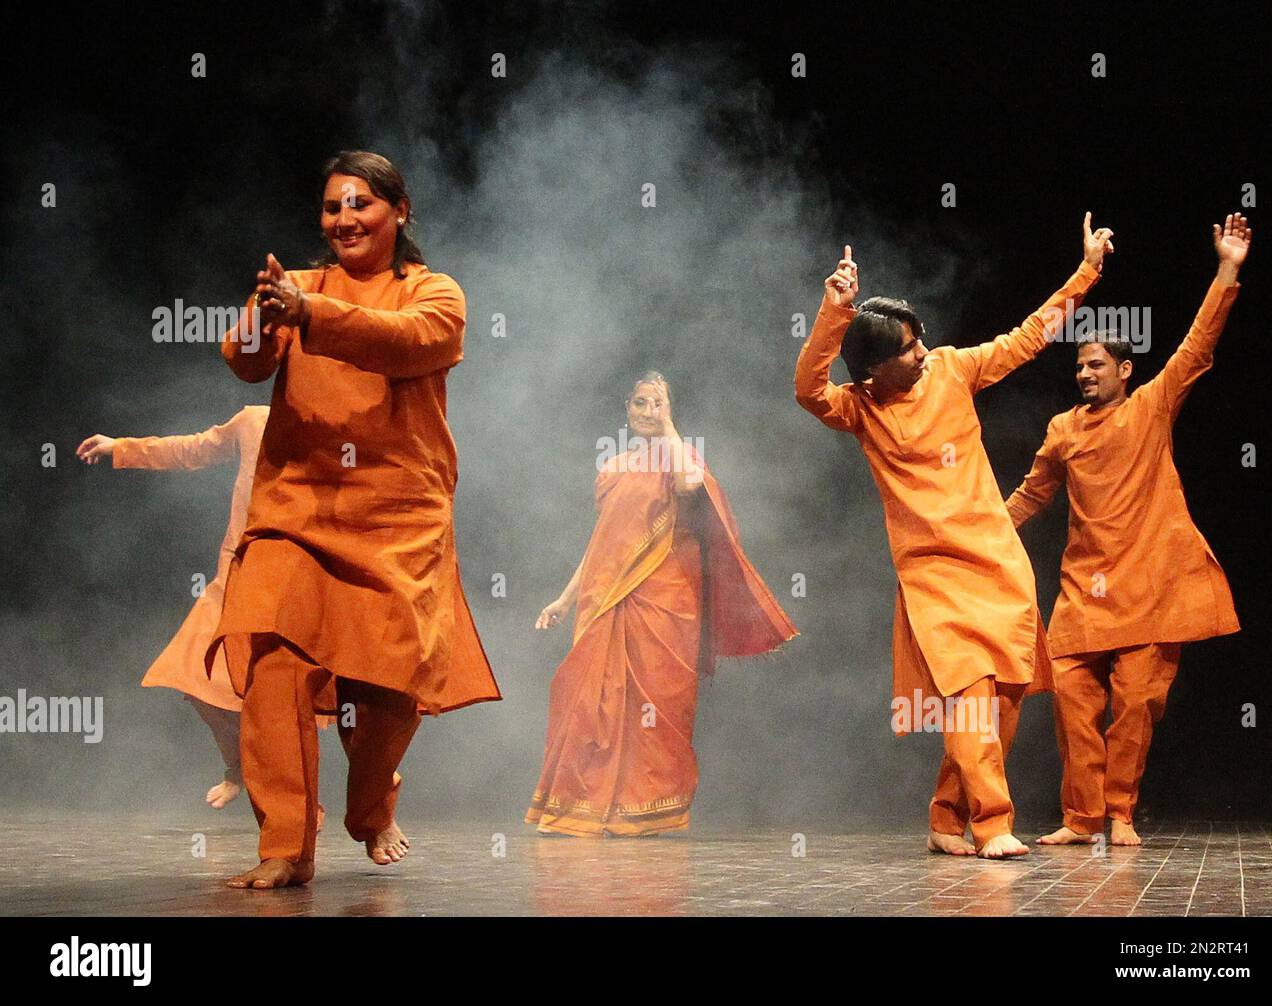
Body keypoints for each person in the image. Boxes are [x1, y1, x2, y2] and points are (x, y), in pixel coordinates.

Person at [209, 150, 500, 889]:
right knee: (271, 667)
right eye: (333, 206)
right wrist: (260, 315)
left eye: (361, 203)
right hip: (296, 508)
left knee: (381, 705)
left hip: (396, 517)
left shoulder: (435, 294)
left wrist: (311, 313)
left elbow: (402, 344)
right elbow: (244, 363)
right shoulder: (297, 286)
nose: (344, 218)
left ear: (399, 211)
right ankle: (283, 846)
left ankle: (371, 807)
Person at [795, 216, 1114, 858]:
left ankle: (946, 816)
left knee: (1003, 698)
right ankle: (993, 822)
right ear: (871, 372)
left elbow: (1028, 337)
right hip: (933, 573)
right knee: (968, 692)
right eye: (908, 348)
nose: (922, 352)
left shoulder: (951, 370)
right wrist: (835, 310)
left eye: (921, 341)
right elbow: (806, 387)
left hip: (997, 560)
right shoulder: (858, 408)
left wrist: (1086, 273)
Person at [1007, 213, 1251, 847]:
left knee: (1137, 708)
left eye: (1095, 364)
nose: (1084, 374)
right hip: (1082, 594)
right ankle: (1080, 819)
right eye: (1079, 366)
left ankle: (1118, 813)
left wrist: (1227, 268)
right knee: (1073, 710)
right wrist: (978, 532)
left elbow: (1198, 345)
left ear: (1125, 371)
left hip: (1148, 587)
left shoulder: (1151, 407)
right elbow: (1032, 494)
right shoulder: (1062, 429)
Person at [527, 373, 797, 836]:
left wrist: (671, 432)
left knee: (656, 705)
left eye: (658, 403)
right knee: (592, 698)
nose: (648, 412)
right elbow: (601, 545)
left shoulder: (683, 457)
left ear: (670, 410)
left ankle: (642, 809)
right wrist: (565, 598)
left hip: (667, 600)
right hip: (609, 598)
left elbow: (690, 484)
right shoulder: (613, 469)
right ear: (626, 410)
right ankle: (585, 805)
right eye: (640, 403)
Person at [76, 407, 268, 810]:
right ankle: (238, 767)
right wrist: (121, 447)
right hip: (235, 575)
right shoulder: (253, 420)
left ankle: (368, 808)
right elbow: (193, 449)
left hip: (294, 584)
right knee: (196, 678)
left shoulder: (330, 428)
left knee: (292, 701)